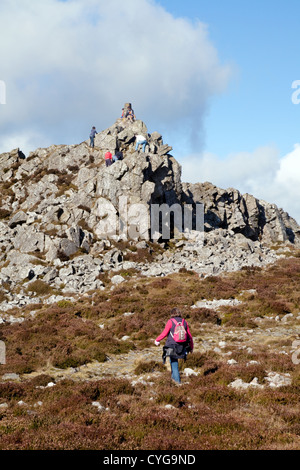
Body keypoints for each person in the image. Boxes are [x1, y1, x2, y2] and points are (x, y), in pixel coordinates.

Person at [155, 308, 193, 384]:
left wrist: (157, 340)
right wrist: (191, 347)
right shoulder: (184, 322)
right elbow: (189, 336)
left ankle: (177, 383)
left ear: (171, 313)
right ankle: (173, 380)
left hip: (172, 345)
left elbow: (164, 333)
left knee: (174, 363)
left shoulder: (170, 322)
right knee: (173, 362)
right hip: (182, 346)